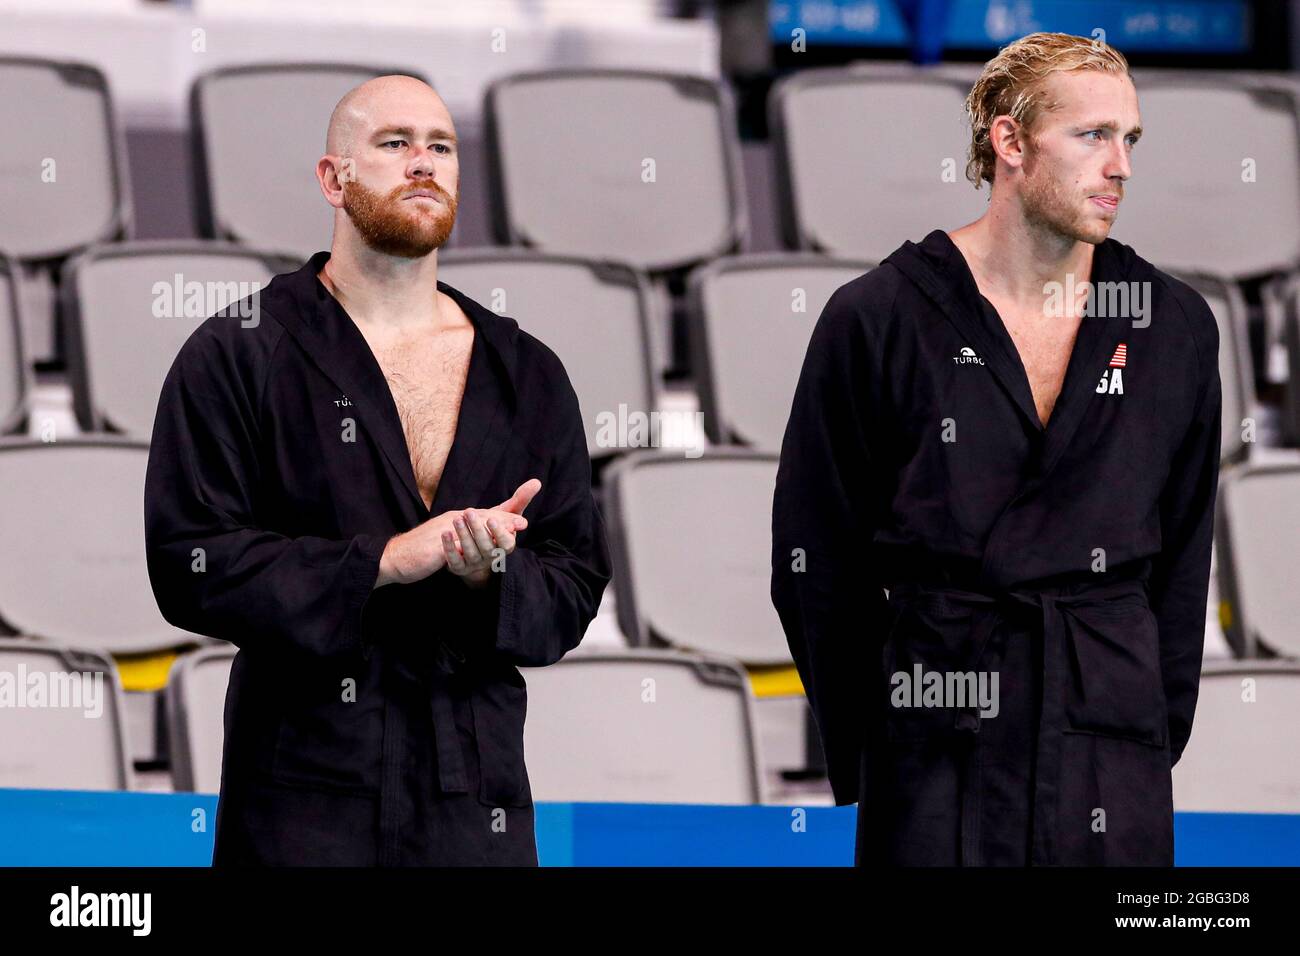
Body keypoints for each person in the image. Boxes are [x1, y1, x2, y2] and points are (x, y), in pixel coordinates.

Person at [771, 33, 1222, 865]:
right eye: (1092, 136)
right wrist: (886, 736)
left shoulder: (1174, 324)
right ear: (1010, 142)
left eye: (1131, 140)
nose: (1120, 165)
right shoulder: (877, 317)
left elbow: (1184, 555)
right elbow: (814, 560)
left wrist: (1145, 727)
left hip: (1109, 753)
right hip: (936, 742)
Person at [145, 75, 612, 865]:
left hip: (475, 802)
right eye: (394, 144)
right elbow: (190, 564)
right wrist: (387, 562)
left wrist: (489, 575)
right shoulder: (238, 353)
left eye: (441, 147)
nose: (422, 163)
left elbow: (574, 588)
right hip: (299, 795)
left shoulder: (526, 371)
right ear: (334, 178)